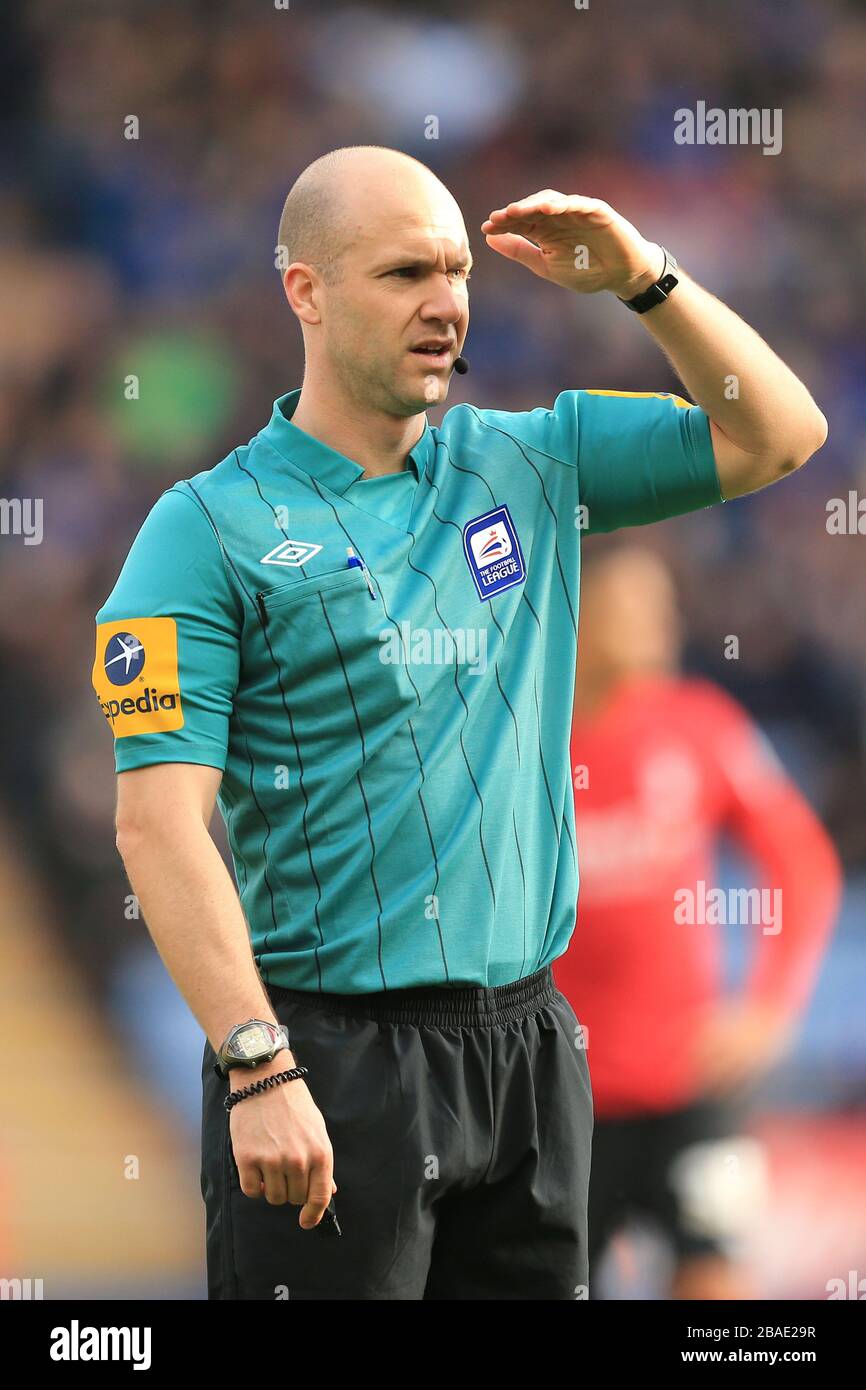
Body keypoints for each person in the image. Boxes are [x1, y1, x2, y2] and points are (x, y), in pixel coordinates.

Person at [90, 144, 829, 1300]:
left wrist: (644, 279)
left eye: (454, 271)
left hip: (530, 1051)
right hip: (329, 1059)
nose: (444, 303)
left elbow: (777, 436)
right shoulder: (204, 530)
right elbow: (157, 827)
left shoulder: (528, 461)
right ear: (307, 290)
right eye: (401, 274)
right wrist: (255, 1065)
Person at [553, 544, 841, 1299]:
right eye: (632, 609)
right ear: (574, 615)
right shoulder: (523, 743)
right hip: (558, 1099)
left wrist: (771, 1009)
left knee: (715, 1288)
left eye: (660, 609)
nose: (657, 628)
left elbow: (803, 862)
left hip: (691, 1087)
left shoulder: (700, 727)